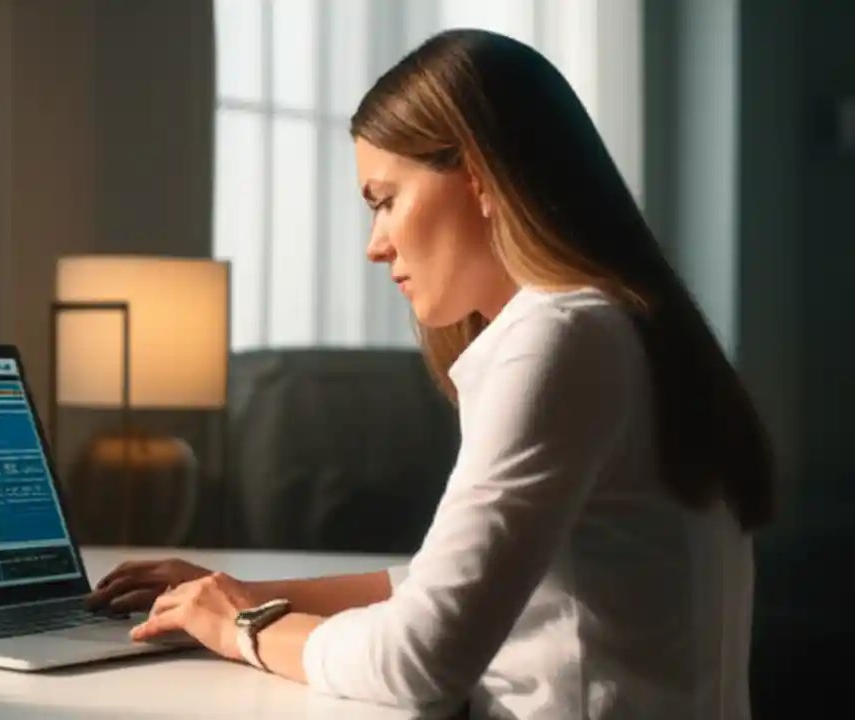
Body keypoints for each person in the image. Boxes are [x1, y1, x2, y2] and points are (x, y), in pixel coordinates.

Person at [85, 28, 773, 719]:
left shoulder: (560, 335)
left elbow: (420, 659)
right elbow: (446, 588)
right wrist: (232, 592)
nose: (374, 246)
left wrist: (239, 629)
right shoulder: (621, 323)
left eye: (384, 199)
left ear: (478, 176)